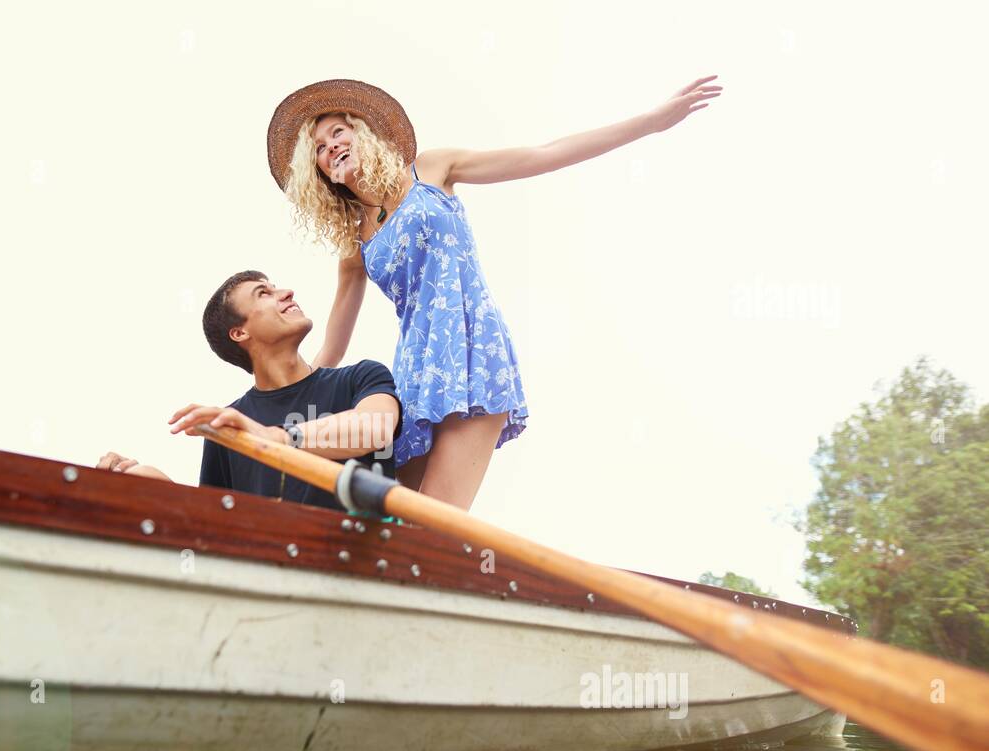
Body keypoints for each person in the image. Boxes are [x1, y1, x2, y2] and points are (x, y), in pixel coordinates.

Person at [266, 75, 721, 511]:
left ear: (363, 134)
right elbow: (332, 350)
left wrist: (651, 122)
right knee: (392, 521)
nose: (332, 147)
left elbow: (545, 154)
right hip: (414, 374)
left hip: (472, 353)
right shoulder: (355, 243)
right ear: (320, 173)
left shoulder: (429, 170)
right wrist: (273, 411)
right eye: (320, 148)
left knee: (433, 519)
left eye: (338, 132)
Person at [97, 269, 401, 513]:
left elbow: (375, 429)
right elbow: (215, 523)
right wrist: (147, 480)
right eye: (263, 293)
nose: (287, 292)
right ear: (240, 332)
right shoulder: (228, 426)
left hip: (373, 569)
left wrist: (276, 438)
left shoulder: (360, 377)